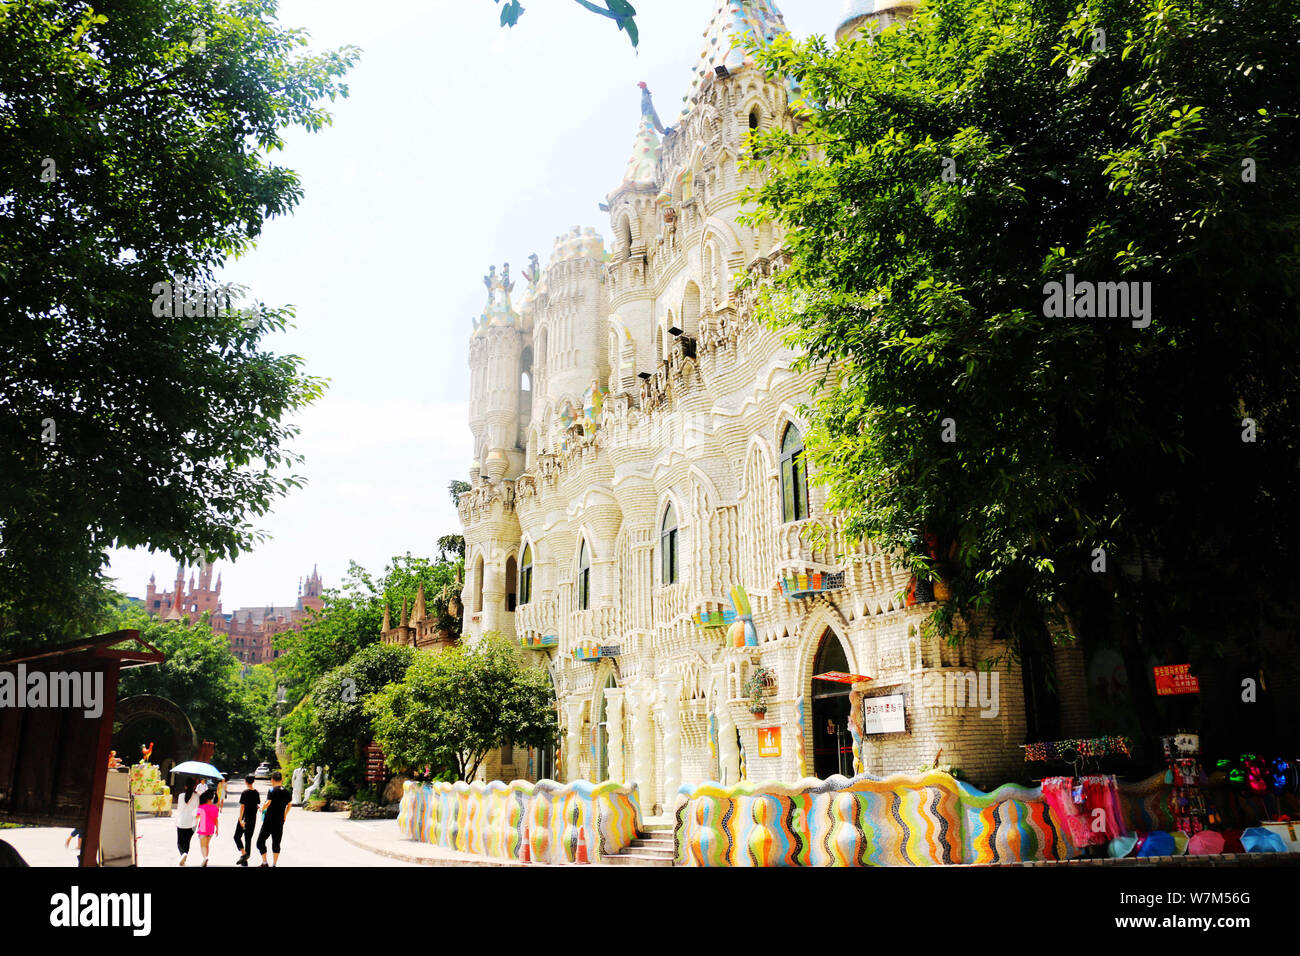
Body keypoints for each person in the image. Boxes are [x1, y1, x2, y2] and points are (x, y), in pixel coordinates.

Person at [256, 770, 291, 867]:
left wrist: (262, 809)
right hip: (280, 821)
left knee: (260, 842)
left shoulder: (271, 790)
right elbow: (290, 804)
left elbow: (268, 803)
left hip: (269, 821)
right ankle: (274, 864)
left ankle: (265, 862)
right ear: (281, 780)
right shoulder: (286, 791)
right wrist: (285, 814)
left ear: (272, 780)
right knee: (276, 842)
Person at [174, 777, 201, 865]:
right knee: (187, 841)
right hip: (192, 823)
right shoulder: (197, 797)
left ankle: (183, 854)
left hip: (181, 822)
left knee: (180, 842)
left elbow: (179, 809)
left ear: (185, 786)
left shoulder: (181, 796)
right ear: (194, 787)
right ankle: (185, 855)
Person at [234, 774, 259, 865]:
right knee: (248, 839)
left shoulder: (245, 792)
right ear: (253, 781)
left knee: (237, 836)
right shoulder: (256, 792)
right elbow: (256, 804)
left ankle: (244, 854)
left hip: (245, 818)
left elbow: (242, 807)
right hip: (253, 819)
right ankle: (245, 860)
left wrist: (240, 819)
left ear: (245, 781)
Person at [195, 789, 220, 867]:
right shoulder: (215, 808)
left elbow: (197, 817)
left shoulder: (201, 807)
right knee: (207, 845)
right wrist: (217, 829)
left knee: (202, 845)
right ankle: (206, 858)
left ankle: (205, 858)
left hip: (202, 827)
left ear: (205, 798)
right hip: (211, 828)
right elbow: (216, 820)